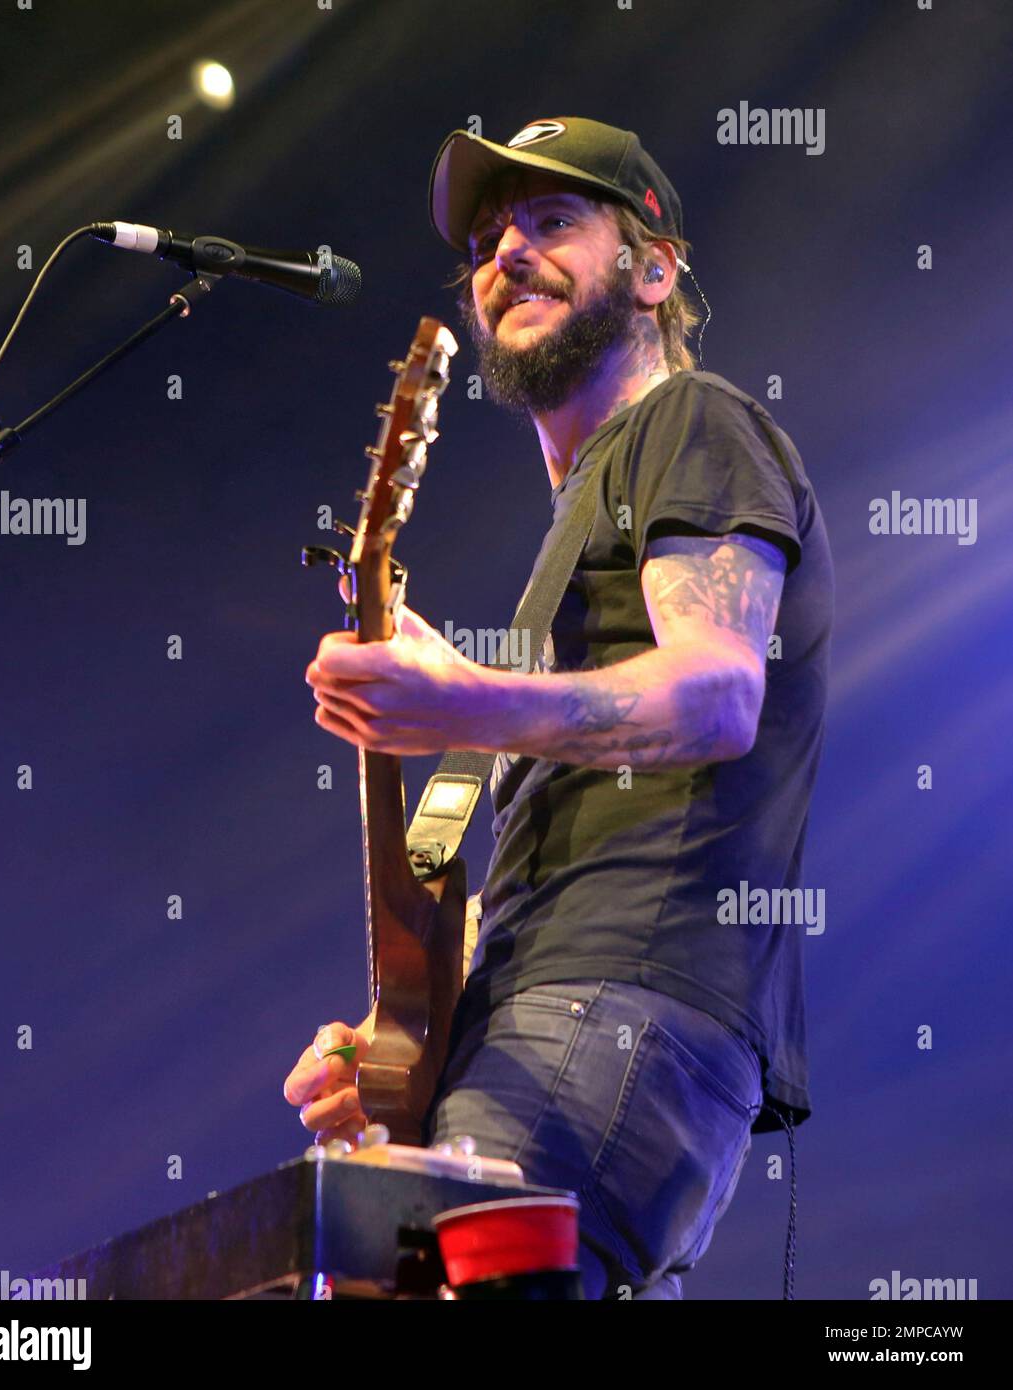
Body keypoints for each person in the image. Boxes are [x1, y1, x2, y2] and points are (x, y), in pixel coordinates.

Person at [284, 117, 834, 1300]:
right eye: (484, 240)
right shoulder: (582, 523)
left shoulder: (688, 424)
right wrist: (397, 1045)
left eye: (549, 222)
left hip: (618, 1004)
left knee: (398, 1275)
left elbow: (717, 692)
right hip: (553, 1017)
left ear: (652, 267)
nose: (503, 254)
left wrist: (465, 699)